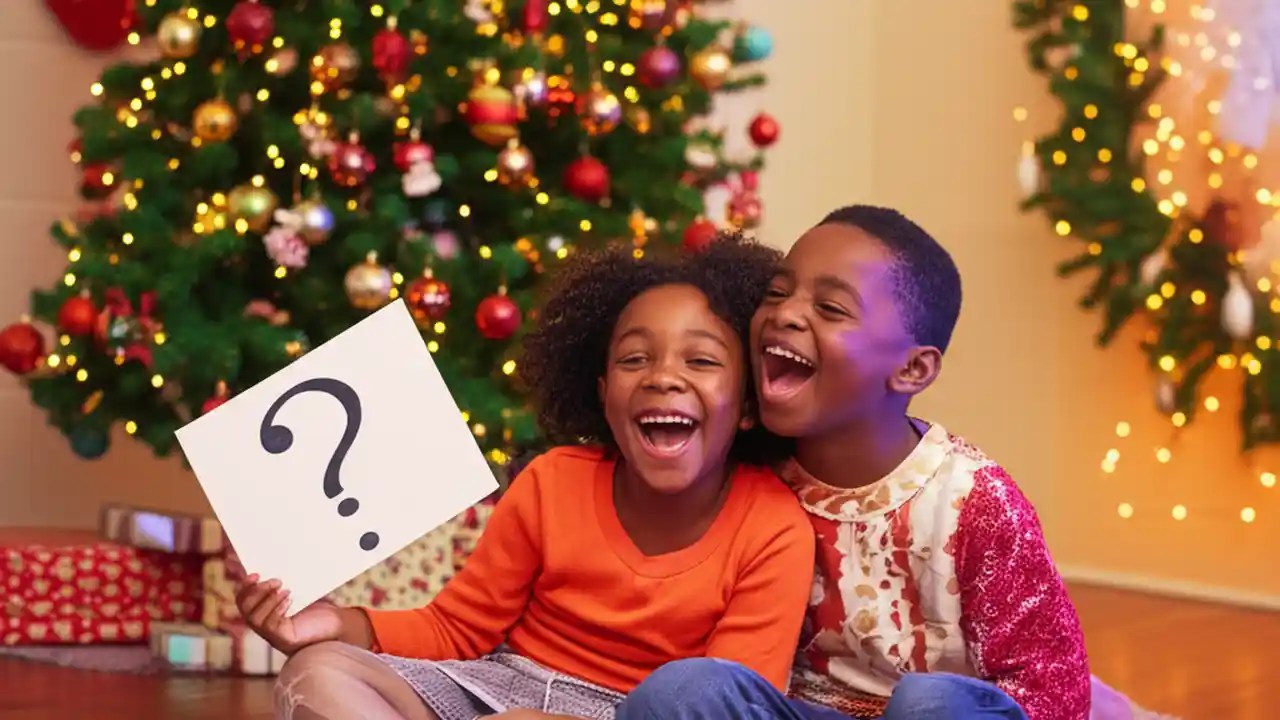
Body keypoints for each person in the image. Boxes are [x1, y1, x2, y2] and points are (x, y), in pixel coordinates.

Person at [235, 235, 816, 720]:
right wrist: (333, 623)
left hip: (633, 716)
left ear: (747, 406)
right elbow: (454, 629)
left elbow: (725, 702)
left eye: (702, 360)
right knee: (315, 673)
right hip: (498, 688)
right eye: (634, 359)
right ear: (602, 394)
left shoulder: (773, 527)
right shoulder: (553, 481)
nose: (662, 377)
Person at [617, 205, 1091, 720]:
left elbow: (1055, 691)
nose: (785, 313)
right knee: (683, 690)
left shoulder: (973, 502)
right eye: (776, 293)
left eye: (830, 308)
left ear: (912, 368)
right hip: (797, 709)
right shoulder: (744, 464)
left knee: (928, 702)